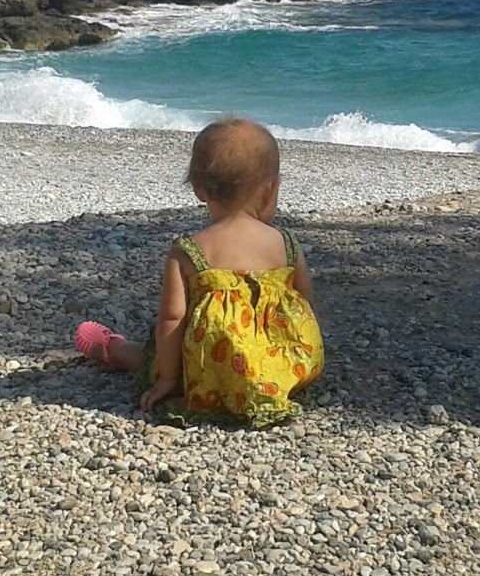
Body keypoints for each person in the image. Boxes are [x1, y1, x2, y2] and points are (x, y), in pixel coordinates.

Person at [74, 117, 323, 427]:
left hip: (208, 375)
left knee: (153, 356)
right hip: (280, 371)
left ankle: (112, 348)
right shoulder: (286, 245)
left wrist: (167, 378)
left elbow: (172, 319)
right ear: (270, 190)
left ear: (198, 189)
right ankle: (267, 387)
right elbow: (306, 311)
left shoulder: (189, 251)